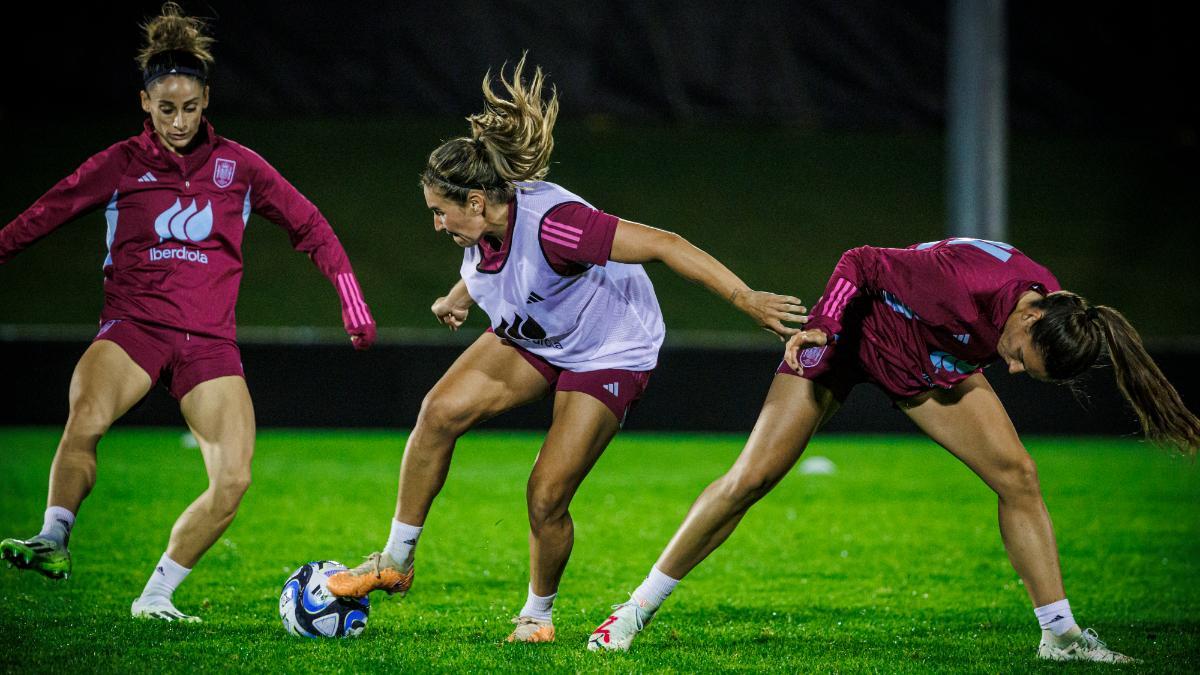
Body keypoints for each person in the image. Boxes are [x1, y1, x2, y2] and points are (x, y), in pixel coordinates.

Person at [326, 55, 805, 644]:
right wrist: (458, 296)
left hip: (609, 347)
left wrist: (746, 297)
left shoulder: (560, 225)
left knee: (546, 493)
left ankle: (538, 615)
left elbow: (665, 244)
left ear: (476, 202)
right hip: (544, 332)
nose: (435, 224)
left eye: (439, 211)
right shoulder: (486, 224)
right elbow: (496, 268)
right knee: (438, 412)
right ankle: (396, 561)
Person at [587, 237, 1200, 662]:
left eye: (1022, 369)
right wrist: (824, 325)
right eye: (1018, 355)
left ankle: (1060, 637)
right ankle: (633, 611)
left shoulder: (1055, 311)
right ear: (1030, 318)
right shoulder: (961, 285)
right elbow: (862, 261)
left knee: (1018, 476)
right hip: (849, 341)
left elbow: (991, 351)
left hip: (924, 363)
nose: (1010, 369)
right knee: (749, 478)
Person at [0, 3, 376, 623]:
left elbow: (311, 225)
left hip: (208, 343)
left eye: (190, 108)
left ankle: (155, 596)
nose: (178, 121)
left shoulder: (240, 167)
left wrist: (351, 302)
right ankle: (53, 537)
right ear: (145, 104)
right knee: (86, 417)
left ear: (207, 103)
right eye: (166, 108)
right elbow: (47, 212)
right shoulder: (121, 164)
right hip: (134, 328)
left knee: (233, 480)